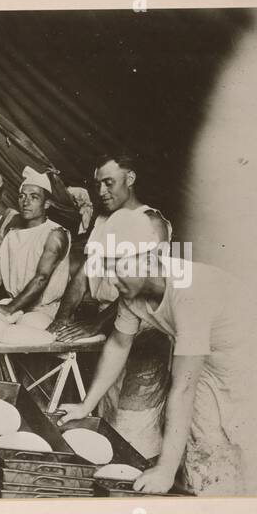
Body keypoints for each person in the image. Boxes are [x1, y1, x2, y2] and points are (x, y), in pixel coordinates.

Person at [59, 258, 250, 495]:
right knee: (200, 450)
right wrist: (85, 405)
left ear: (147, 262)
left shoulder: (189, 292)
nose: (110, 280)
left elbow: (183, 390)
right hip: (204, 360)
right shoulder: (132, 294)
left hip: (246, 364)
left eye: (117, 271)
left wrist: (165, 471)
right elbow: (119, 345)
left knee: (230, 451)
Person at [50, 153, 175, 459]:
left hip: (146, 333)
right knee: (106, 413)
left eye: (109, 182)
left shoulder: (152, 221)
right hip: (117, 327)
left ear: (130, 179)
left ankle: (142, 480)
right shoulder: (104, 220)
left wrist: (96, 324)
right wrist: (60, 320)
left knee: (134, 423)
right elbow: (84, 273)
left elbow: (145, 286)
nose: (102, 191)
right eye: (98, 185)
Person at [0, 167, 71, 318]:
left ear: (46, 204)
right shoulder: (12, 234)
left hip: (42, 311)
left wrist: (9, 309)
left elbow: (41, 278)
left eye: (34, 197)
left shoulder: (55, 234)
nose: (26, 202)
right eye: (22, 196)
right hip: (16, 305)